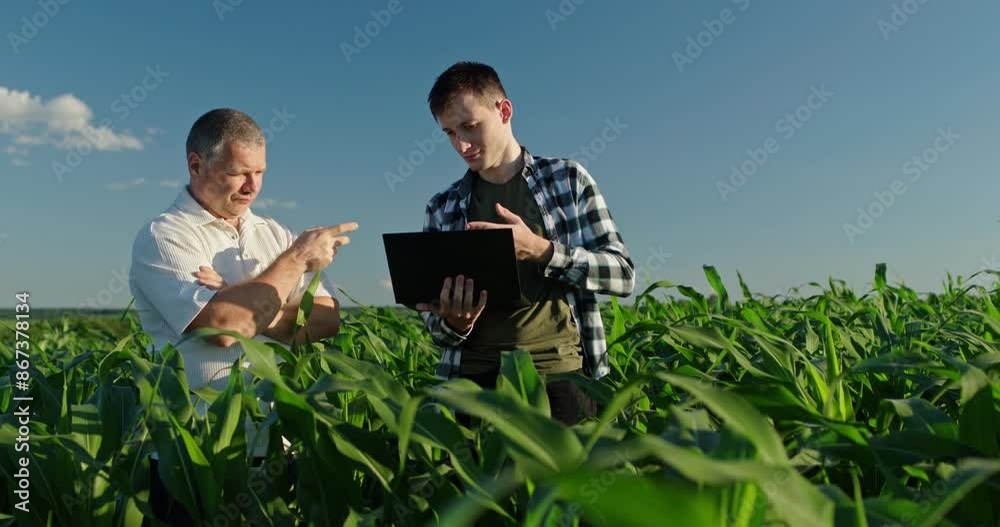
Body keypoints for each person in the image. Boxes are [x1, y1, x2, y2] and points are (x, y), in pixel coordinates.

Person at [128, 108, 357, 523]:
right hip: (195, 458)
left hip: (275, 450)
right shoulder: (164, 236)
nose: (253, 186)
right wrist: (295, 262)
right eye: (238, 173)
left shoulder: (274, 233)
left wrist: (243, 303)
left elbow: (326, 320)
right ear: (196, 165)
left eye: (261, 172)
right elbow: (224, 330)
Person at [417, 62, 635, 425]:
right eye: (450, 133)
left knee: (567, 482)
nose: (462, 145)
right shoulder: (442, 207)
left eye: (470, 127)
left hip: (560, 376)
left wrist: (542, 250)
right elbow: (435, 325)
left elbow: (623, 275)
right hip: (473, 382)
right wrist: (455, 322)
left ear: (504, 110)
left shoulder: (568, 179)